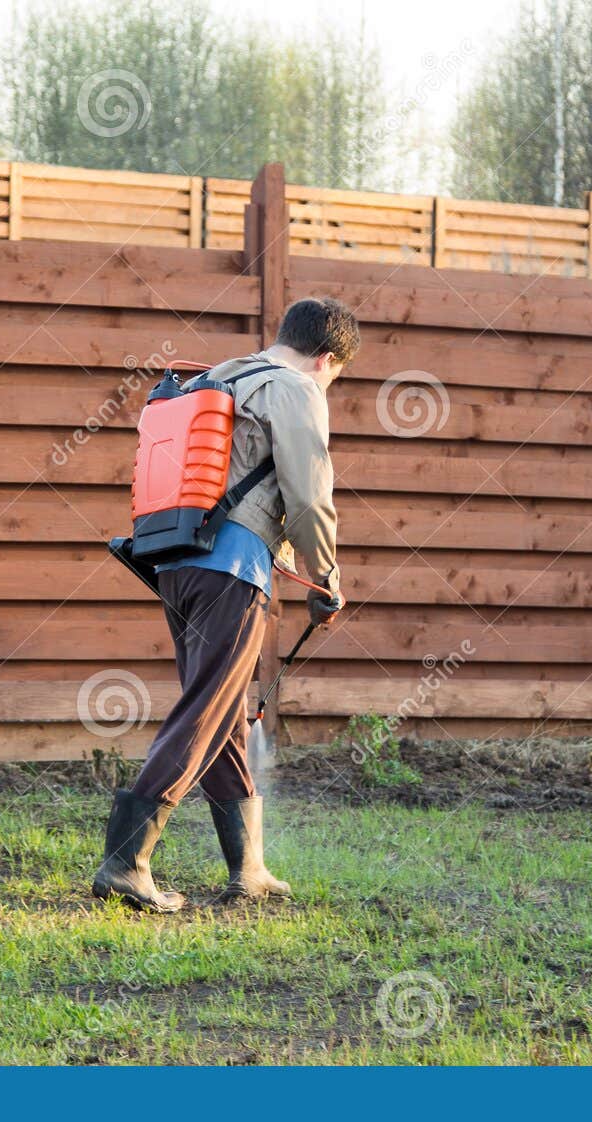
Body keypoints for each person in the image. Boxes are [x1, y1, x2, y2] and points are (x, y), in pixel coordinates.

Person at [92, 297, 360, 912]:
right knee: (206, 709)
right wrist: (325, 579)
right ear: (325, 360)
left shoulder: (220, 376)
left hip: (176, 562)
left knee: (223, 717)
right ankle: (126, 860)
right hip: (231, 570)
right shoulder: (296, 388)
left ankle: (249, 868)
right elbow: (310, 496)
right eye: (334, 376)